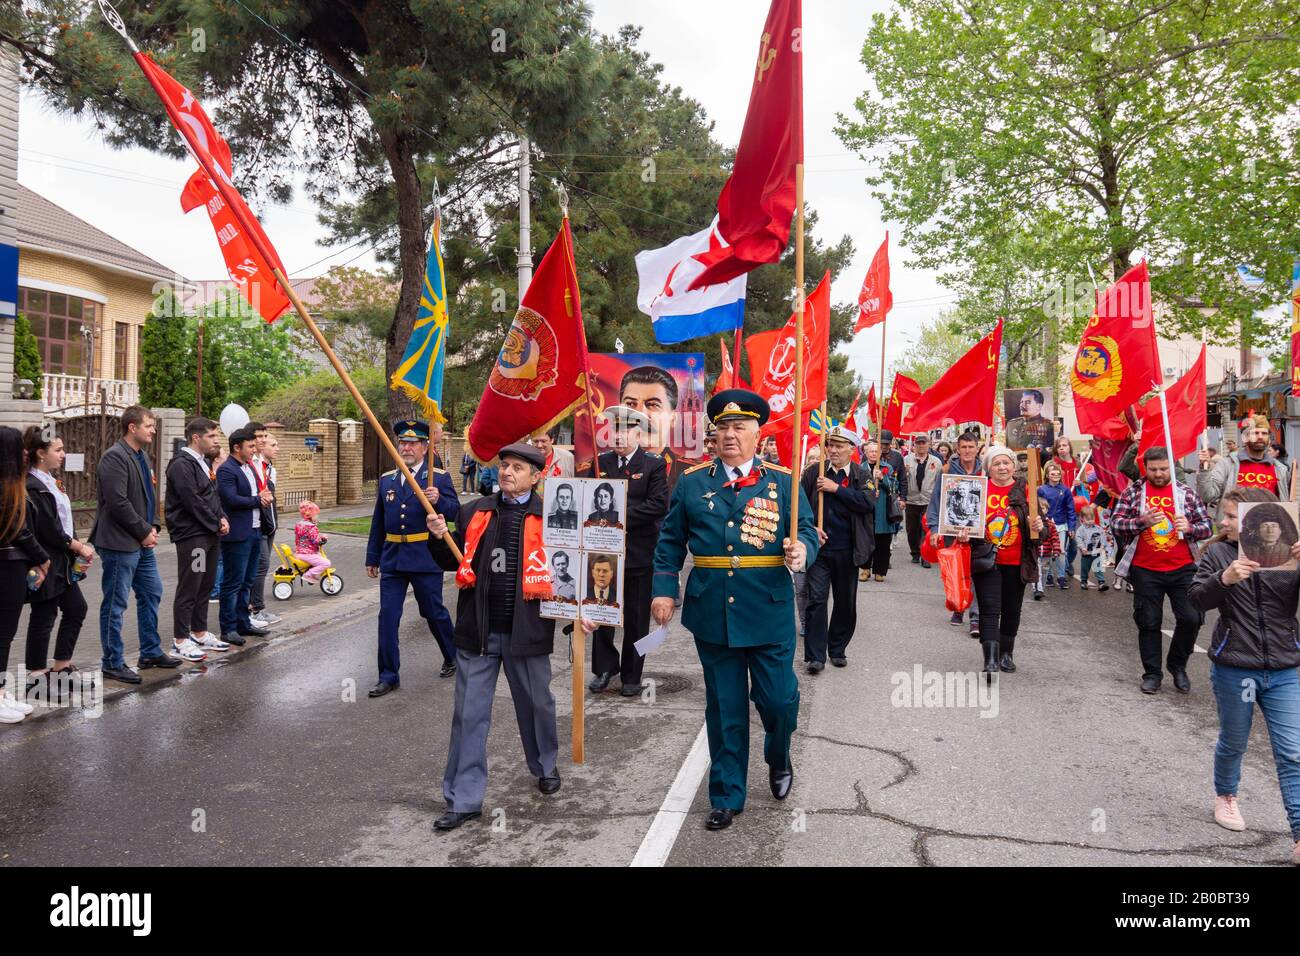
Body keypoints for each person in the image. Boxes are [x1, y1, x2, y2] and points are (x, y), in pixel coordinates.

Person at [651, 389, 817, 831]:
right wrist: (665, 589)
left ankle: (779, 756)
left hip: (768, 607)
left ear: (758, 435)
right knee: (725, 707)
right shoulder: (692, 482)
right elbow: (669, 543)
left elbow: (805, 531)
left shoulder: (782, 481)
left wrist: (803, 551)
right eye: (722, 427)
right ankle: (727, 794)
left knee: (779, 701)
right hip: (713, 612)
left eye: (739, 427)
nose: (729, 434)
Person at [424, 442, 562, 831]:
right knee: (468, 716)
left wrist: (584, 611)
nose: (506, 472)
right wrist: (438, 537)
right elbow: (453, 560)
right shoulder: (475, 512)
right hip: (477, 633)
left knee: (537, 706)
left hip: (528, 632)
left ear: (536, 477)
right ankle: (463, 799)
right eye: (504, 465)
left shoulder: (553, 516)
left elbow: (572, 569)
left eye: (517, 467)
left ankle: (545, 765)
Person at [1189, 488, 1300, 866]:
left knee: (1293, 753)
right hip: (1236, 665)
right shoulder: (1218, 552)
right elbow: (1195, 602)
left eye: (1232, 516)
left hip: (1286, 667)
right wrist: (1224, 579)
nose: (1223, 522)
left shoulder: (1290, 553)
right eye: (1225, 514)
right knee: (1234, 742)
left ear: (1258, 519)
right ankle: (1226, 796)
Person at [365, 420, 462, 697]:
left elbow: (455, 512)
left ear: (424, 447)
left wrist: (438, 500)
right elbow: (378, 522)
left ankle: (453, 655)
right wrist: (373, 557)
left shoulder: (438, 478)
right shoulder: (387, 480)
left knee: (433, 612)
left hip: (425, 557)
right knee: (388, 616)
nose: (406, 448)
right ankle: (388, 675)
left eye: (412, 443)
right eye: (403, 443)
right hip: (393, 559)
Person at [1110, 445, 1214, 694]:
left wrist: (1189, 528)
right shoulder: (1134, 492)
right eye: (1154, 469)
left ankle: (1178, 665)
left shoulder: (1185, 493)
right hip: (1145, 569)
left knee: (1191, 618)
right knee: (1149, 622)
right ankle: (1152, 674)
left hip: (1183, 567)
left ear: (1172, 468)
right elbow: (1116, 523)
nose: (1159, 474)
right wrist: (1141, 522)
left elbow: (1207, 527)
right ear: (1146, 468)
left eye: (1164, 469)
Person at [584, 405, 669, 696]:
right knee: (602, 613)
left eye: (625, 431)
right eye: (614, 431)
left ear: (638, 433)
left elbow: (658, 504)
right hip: (603, 554)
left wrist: (617, 516)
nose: (618, 437)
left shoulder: (653, 464)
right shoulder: (599, 462)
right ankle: (605, 668)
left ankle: (633, 674)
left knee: (635, 618)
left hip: (638, 553)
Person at [91, 405, 177, 683]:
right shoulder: (114, 457)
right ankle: (112, 662)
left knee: (152, 592)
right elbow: (118, 503)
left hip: (141, 542)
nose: (153, 429)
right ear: (132, 427)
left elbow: (147, 498)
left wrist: (152, 526)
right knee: (115, 605)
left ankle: (150, 652)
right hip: (119, 543)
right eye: (149, 425)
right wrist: (143, 531)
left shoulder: (141, 456)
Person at [953, 445, 1043, 673]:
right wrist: (963, 535)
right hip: (987, 559)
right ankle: (990, 658)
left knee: (1012, 609)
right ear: (988, 468)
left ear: (1013, 465)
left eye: (1006, 462)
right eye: (996, 463)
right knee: (989, 608)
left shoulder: (1026, 490)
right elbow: (963, 520)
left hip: (1018, 561)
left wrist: (1039, 526)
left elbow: (1042, 531)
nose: (1002, 467)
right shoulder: (977, 489)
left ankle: (1006, 654)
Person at [21, 426, 93, 700]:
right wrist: (78, 546)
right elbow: (49, 528)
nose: (63, 454)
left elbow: (64, 521)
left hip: (62, 561)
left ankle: (61, 668)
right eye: (58, 450)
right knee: (44, 616)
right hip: (45, 561)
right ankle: (36, 677)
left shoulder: (51, 481)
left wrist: (75, 551)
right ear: (41, 454)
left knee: (76, 608)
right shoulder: (32, 485)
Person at [800, 426, 873, 673]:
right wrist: (810, 527)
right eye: (830, 445)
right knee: (817, 600)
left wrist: (837, 489)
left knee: (845, 602)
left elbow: (868, 503)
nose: (833, 450)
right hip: (819, 550)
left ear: (851, 450)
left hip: (848, 549)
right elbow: (798, 507)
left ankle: (838, 648)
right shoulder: (813, 472)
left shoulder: (861, 475)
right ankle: (815, 656)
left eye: (839, 446)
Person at [163, 417, 230, 663]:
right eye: (212, 436)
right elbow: (192, 501)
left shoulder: (203, 463)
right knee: (190, 585)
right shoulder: (182, 465)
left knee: (205, 584)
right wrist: (215, 522)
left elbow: (212, 497)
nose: (216, 441)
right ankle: (180, 640)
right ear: (196, 437)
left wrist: (221, 517)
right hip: (193, 536)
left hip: (209, 535)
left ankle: (199, 632)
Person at [0, 427, 46, 722]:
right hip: (7, 564)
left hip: (12, 563)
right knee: (3, 634)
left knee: (5, 634)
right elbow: (18, 527)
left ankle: (2, 691)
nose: (26, 452)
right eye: (20, 447)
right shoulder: (6, 488)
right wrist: (43, 558)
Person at [217, 428, 273, 647]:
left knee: (248, 580)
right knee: (233, 582)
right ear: (236, 447)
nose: (254, 449)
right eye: (250, 446)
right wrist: (257, 500)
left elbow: (257, 492)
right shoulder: (226, 470)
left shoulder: (249, 467)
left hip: (256, 530)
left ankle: (243, 621)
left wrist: (264, 497)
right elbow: (230, 499)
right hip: (238, 534)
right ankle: (228, 628)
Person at [928, 430, 984, 635]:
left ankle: (976, 616)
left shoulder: (984, 471)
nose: (967, 451)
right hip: (952, 530)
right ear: (958, 449)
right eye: (964, 447)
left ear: (977, 449)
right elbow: (936, 500)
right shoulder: (947, 471)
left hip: (978, 533)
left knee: (977, 573)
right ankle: (958, 607)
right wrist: (934, 528)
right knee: (957, 573)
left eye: (971, 447)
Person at [1198, 415, 1290, 518]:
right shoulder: (1227, 464)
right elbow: (1207, 495)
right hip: (1235, 530)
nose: (1260, 437)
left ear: (1268, 438)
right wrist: (1204, 469)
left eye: (1264, 433)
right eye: (1255, 432)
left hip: (1268, 529)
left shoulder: (1280, 469)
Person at [619, 365, 691, 486]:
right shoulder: (594, 469)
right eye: (630, 404)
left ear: (673, 418)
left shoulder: (689, 475)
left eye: (653, 404)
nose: (641, 414)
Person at [248, 430, 281, 630]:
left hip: (269, 522)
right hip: (256, 524)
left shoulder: (269, 468)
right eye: (273, 445)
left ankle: (256, 608)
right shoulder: (253, 465)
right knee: (260, 565)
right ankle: (255, 608)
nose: (277, 448)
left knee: (262, 565)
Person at [860, 438, 901, 582]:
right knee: (865, 542)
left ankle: (880, 570)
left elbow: (894, 488)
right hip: (866, 510)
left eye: (875, 451)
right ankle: (865, 569)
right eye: (870, 451)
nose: (873, 454)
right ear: (865, 453)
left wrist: (883, 479)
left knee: (882, 543)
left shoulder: (887, 468)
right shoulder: (860, 468)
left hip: (883, 510)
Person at [902, 434, 941, 567]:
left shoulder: (936, 461)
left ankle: (926, 556)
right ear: (914, 446)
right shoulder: (906, 460)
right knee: (912, 529)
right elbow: (901, 480)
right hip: (912, 500)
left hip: (928, 500)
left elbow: (939, 481)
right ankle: (915, 552)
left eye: (923, 443)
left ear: (928, 445)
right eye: (918, 443)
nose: (921, 446)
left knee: (926, 528)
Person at [1037, 460, 1077, 588]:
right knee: (1047, 551)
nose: (1055, 476)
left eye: (1057, 474)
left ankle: (1061, 577)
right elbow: (1038, 507)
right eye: (1052, 474)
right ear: (1047, 475)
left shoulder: (1065, 490)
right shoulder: (1041, 490)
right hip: (1045, 525)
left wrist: (1071, 527)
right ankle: (1048, 576)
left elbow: (1071, 509)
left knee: (1061, 551)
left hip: (1061, 524)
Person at [1239, 501, 1298, 569]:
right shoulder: (1249, 550)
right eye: (1264, 526)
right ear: (1258, 531)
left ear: (1280, 531)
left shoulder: (1289, 551)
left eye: (1274, 526)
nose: (1270, 531)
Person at [293, 500, 333, 582]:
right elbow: (316, 541)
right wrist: (323, 538)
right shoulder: (311, 527)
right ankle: (309, 575)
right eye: (316, 515)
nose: (317, 517)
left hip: (300, 552)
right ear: (309, 515)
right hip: (307, 553)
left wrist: (319, 537)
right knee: (326, 563)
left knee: (319, 556)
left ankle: (312, 573)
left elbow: (306, 537)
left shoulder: (300, 525)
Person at [1006, 389, 1054, 453]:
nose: (1022, 405)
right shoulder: (1011, 424)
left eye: (1027, 402)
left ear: (1039, 406)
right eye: (1021, 402)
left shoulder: (1049, 425)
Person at [1076, 505, 1110, 591]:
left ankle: (1101, 583)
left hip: (1097, 552)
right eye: (1088, 519)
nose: (1090, 521)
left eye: (1092, 518)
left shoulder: (1099, 528)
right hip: (1086, 553)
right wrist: (1082, 547)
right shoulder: (1081, 529)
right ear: (1082, 518)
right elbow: (1079, 539)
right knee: (1085, 568)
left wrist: (1103, 545)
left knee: (1098, 568)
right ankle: (1084, 581)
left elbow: (1103, 537)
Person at [1032, 498, 1060, 602]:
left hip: (1047, 553)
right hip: (1036, 553)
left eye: (1043, 508)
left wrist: (1056, 550)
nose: (1041, 511)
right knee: (1037, 571)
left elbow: (1055, 538)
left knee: (1044, 572)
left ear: (1047, 510)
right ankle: (1037, 589)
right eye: (1039, 509)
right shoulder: (1033, 523)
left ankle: (1041, 589)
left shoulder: (1050, 524)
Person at [531, 427, 573, 492]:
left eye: (543, 441)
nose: (539, 445)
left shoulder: (567, 457)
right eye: (536, 441)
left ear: (552, 440)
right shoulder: (526, 458)